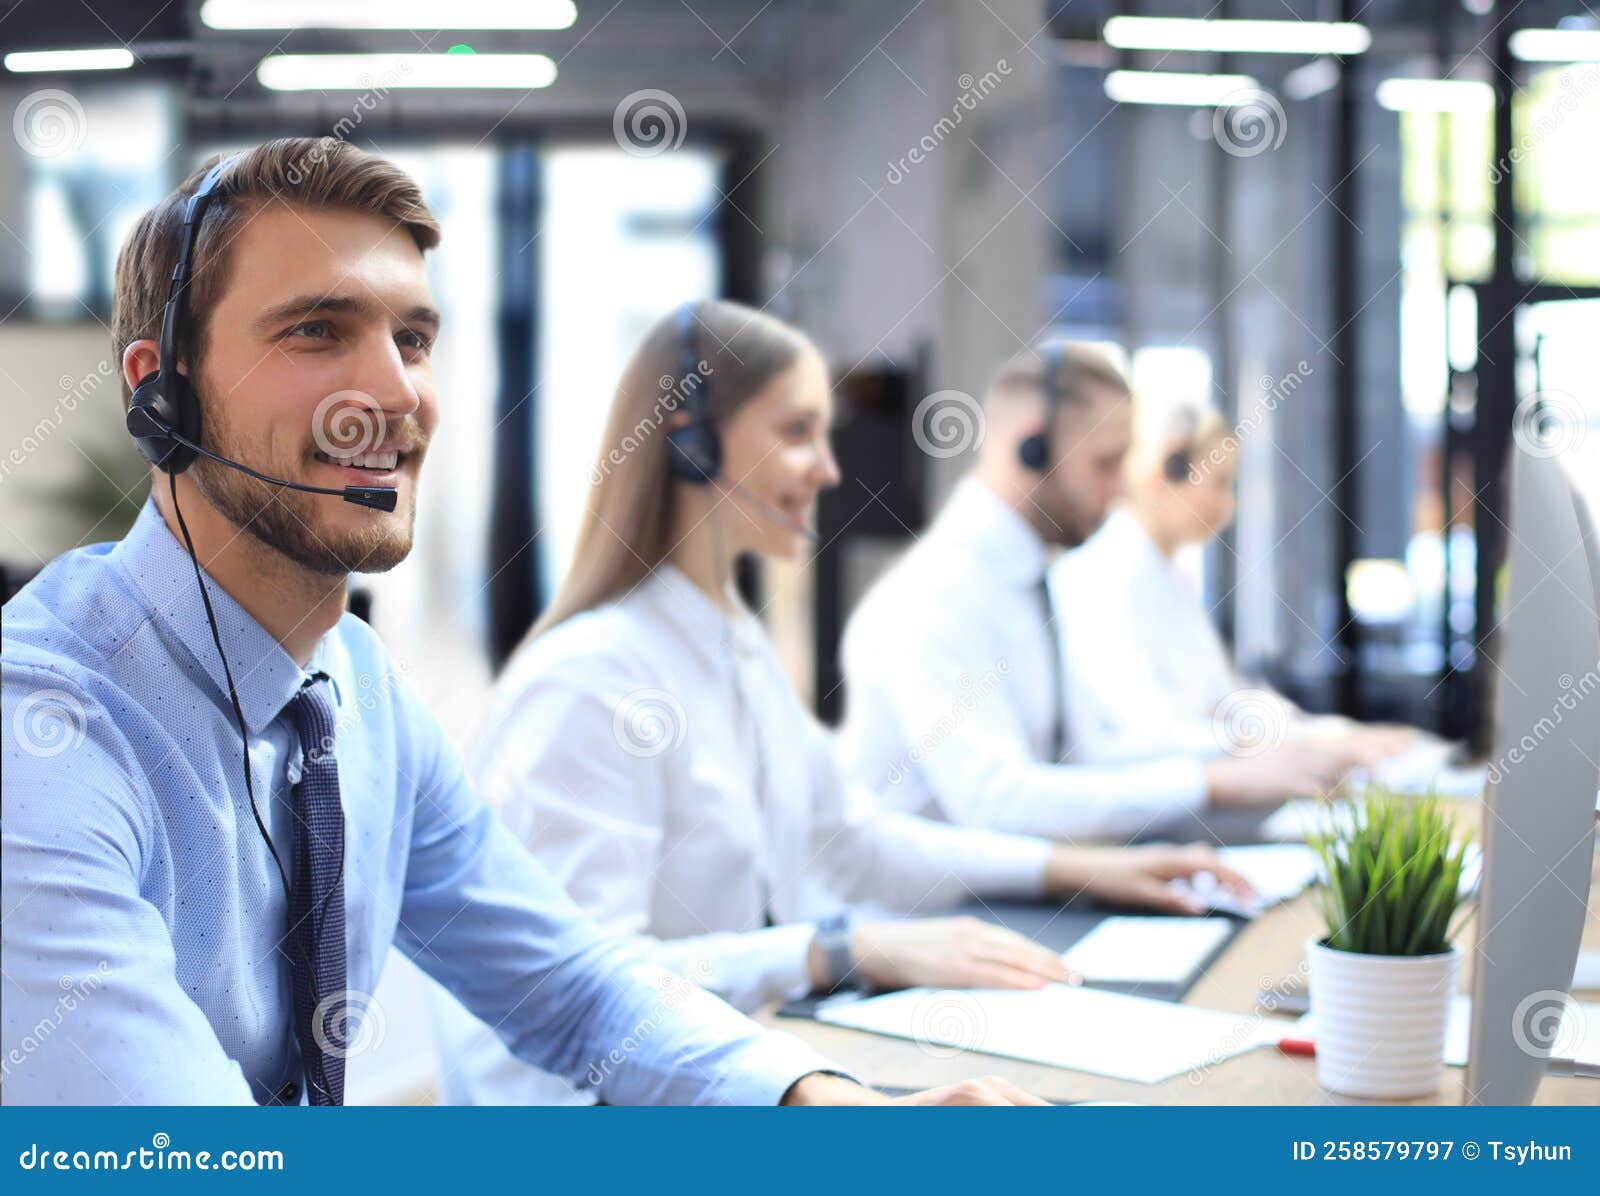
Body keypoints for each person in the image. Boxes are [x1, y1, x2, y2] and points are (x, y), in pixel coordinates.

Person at [0, 139, 1039, 1107]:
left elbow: (570, 980)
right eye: (317, 329)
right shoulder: (43, 732)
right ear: (160, 393)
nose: (392, 392)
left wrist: (821, 1103)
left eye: (413, 337)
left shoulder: (356, 689)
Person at [433, 302, 1251, 1105]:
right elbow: (589, 993)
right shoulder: (587, 681)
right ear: (690, 445)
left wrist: (1085, 869)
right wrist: (837, 947)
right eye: (796, 433)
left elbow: (851, 838)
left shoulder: (733, 644)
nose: (828, 468)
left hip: (740, 1069)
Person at [838, 344, 1354, 843]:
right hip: (917, 920)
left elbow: (1089, 751)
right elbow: (994, 801)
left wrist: (1273, 758)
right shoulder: (939, 591)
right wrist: (1210, 781)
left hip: (1001, 903)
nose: (1123, 489)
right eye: (1106, 464)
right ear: (1031, 448)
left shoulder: (1031, 580)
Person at [1053, 399, 1415, 769]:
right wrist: (1299, 743)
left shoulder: (1172, 578)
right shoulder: (1096, 578)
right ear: (1165, 472)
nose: (1227, 504)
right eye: (1219, 483)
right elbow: (1152, 733)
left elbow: (1227, 699)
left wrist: (1328, 733)